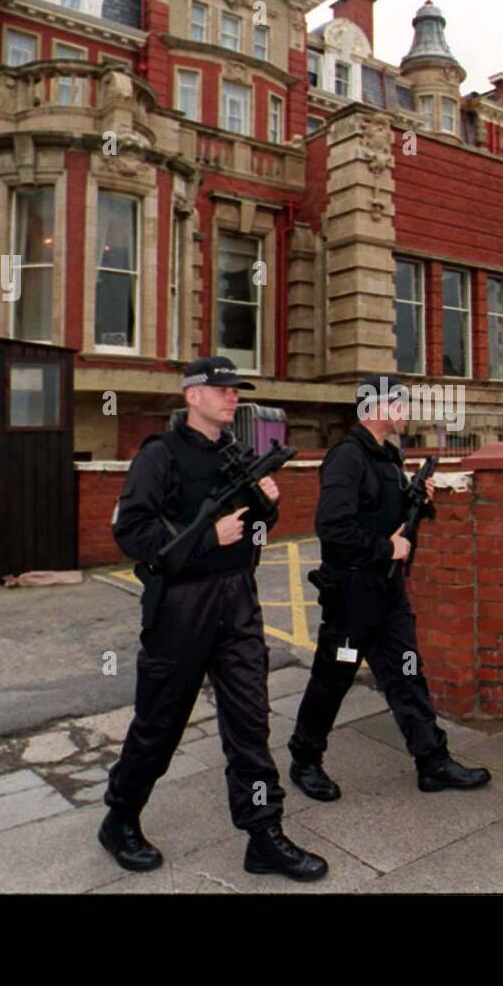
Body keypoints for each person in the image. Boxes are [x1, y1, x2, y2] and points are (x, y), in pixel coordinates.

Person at [101, 356, 327, 882]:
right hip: (182, 606)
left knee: (250, 722)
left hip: (238, 601)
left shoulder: (235, 451)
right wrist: (207, 537)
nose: (232, 397)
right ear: (192, 396)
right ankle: (121, 818)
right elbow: (131, 534)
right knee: (159, 723)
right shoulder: (159, 456)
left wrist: (265, 509)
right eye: (221, 389)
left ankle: (263, 834)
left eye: (235, 390)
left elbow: (251, 533)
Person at [288, 374, 490, 799]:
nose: (407, 413)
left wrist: (419, 500)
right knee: (333, 678)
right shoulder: (347, 458)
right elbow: (332, 527)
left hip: (388, 594)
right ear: (380, 408)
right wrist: (385, 548)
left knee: (407, 674)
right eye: (402, 404)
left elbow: (388, 515)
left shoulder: (386, 456)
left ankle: (433, 762)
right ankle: (305, 760)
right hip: (352, 597)